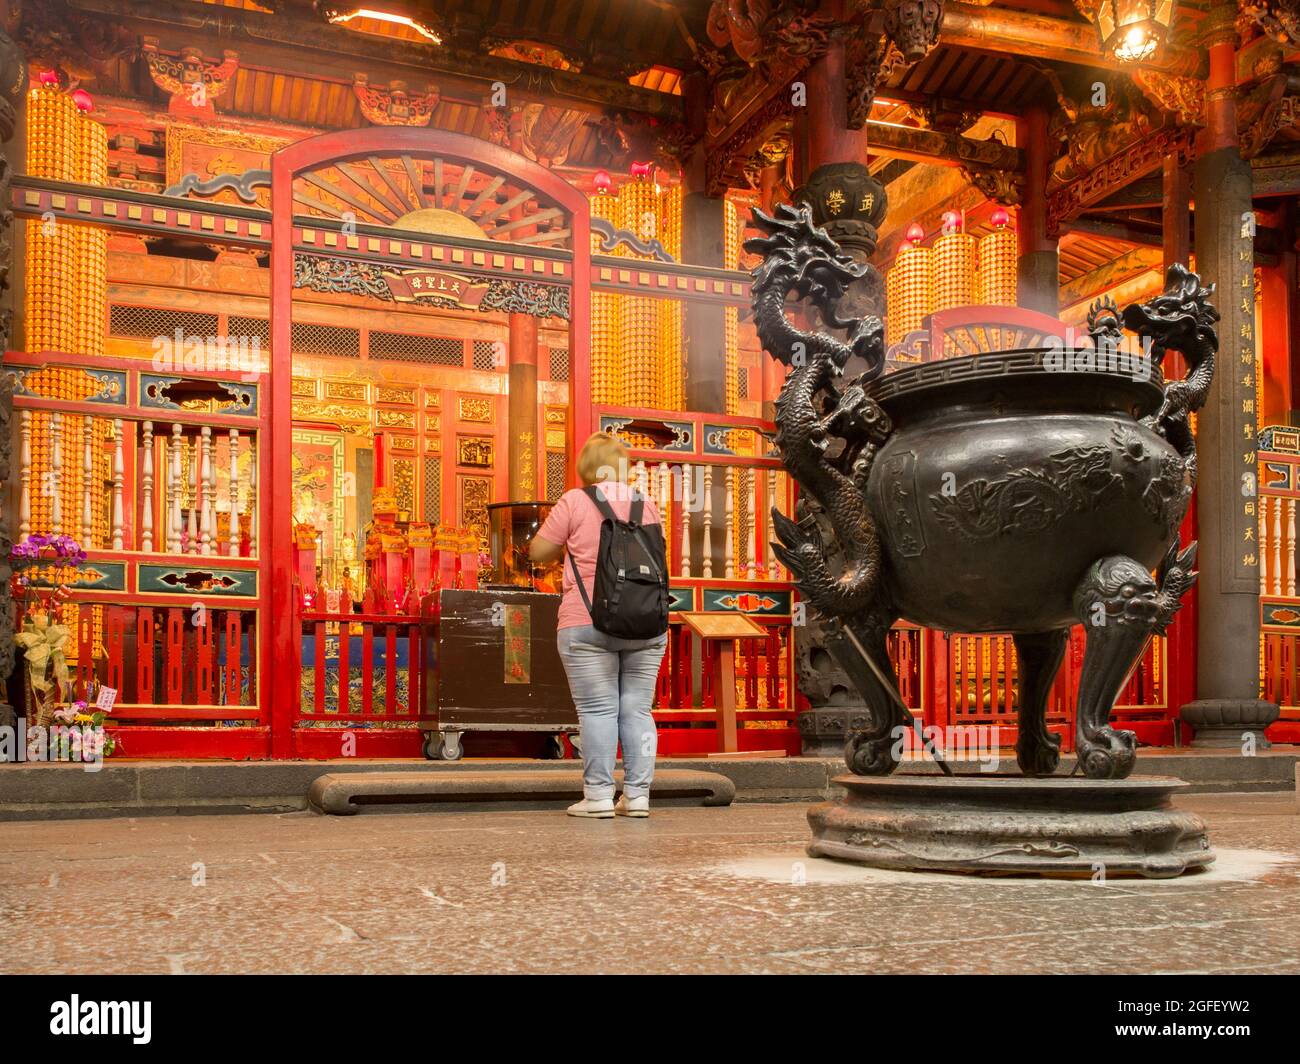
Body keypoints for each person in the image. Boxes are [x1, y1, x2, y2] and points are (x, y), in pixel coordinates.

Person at [529, 432, 667, 819]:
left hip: (587, 620)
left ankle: (599, 796)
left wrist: (565, 547)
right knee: (637, 710)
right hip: (646, 622)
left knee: (597, 710)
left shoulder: (575, 500)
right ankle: (638, 797)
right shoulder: (646, 503)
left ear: (586, 467)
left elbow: (538, 552)